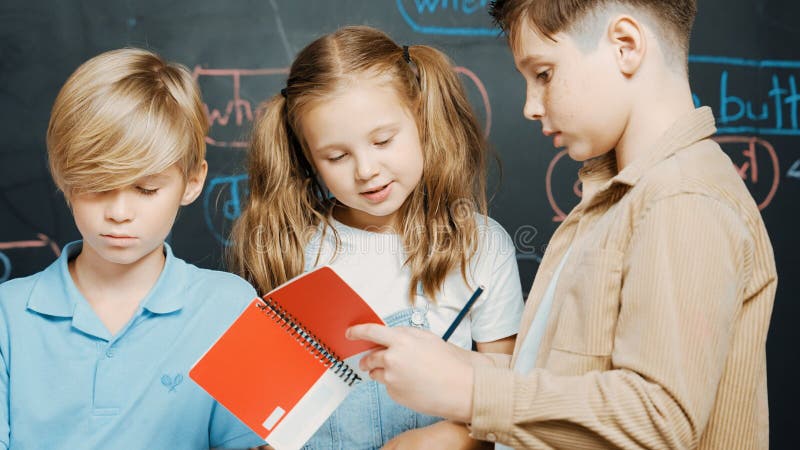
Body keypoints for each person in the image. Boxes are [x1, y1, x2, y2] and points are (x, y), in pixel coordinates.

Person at [348, 1, 777, 449]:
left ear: (625, 46)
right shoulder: (616, 202)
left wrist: (471, 392)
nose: (531, 106)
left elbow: (656, 418)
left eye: (544, 74)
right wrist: (457, 367)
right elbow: (562, 378)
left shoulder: (683, 198)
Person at [229, 25, 524, 449]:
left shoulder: (480, 245)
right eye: (337, 156)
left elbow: (504, 403)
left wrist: (433, 441)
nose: (366, 169)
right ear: (308, 158)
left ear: (421, 119)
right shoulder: (292, 249)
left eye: (383, 140)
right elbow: (275, 417)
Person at [0, 48, 267, 449]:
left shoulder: (230, 308)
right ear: (65, 176)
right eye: (98, 185)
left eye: (146, 189)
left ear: (192, 181)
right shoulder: (8, 316)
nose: (119, 213)